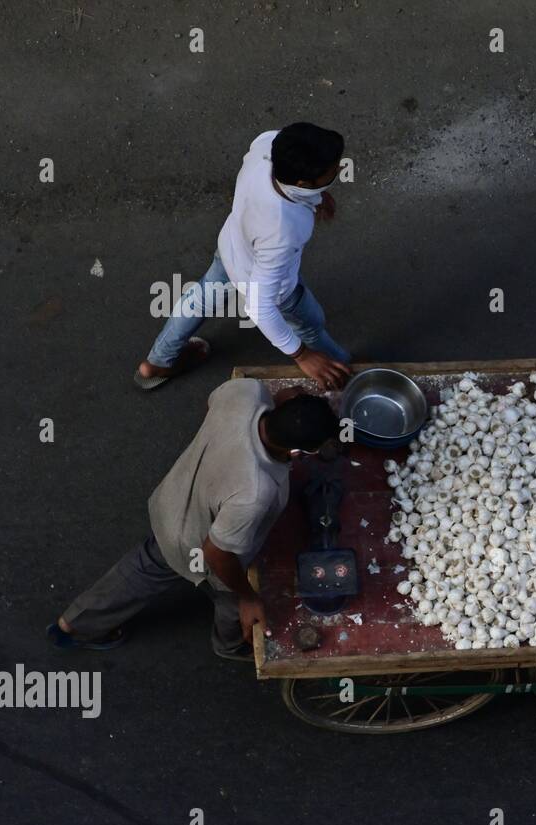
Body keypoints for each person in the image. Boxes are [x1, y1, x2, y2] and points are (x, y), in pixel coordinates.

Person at [48, 380, 339, 661]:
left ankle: (75, 624)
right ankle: (230, 643)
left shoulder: (246, 391)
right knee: (229, 599)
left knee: (147, 566)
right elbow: (217, 554)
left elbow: (212, 406)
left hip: (172, 501)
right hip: (197, 548)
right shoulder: (254, 493)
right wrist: (247, 597)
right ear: (297, 453)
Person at [136, 123, 353, 391]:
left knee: (200, 300)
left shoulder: (267, 145)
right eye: (332, 170)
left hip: (230, 251)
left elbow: (289, 186)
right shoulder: (282, 231)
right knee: (311, 324)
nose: (339, 170)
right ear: (302, 183)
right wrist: (302, 355)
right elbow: (259, 306)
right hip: (276, 288)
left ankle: (158, 361)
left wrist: (314, 197)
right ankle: (346, 369)